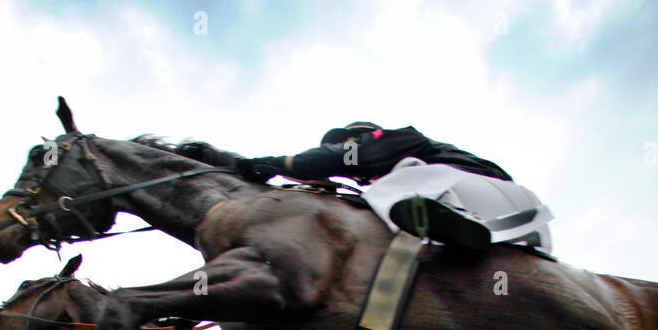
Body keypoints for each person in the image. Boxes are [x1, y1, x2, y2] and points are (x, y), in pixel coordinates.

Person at [235, 123, 553, 251]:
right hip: (528, 232)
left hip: (493, 200)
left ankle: (460, 216)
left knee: (400, 178)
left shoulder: (398, 141)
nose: (360, 178)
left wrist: (274, 164)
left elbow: (339, 158)